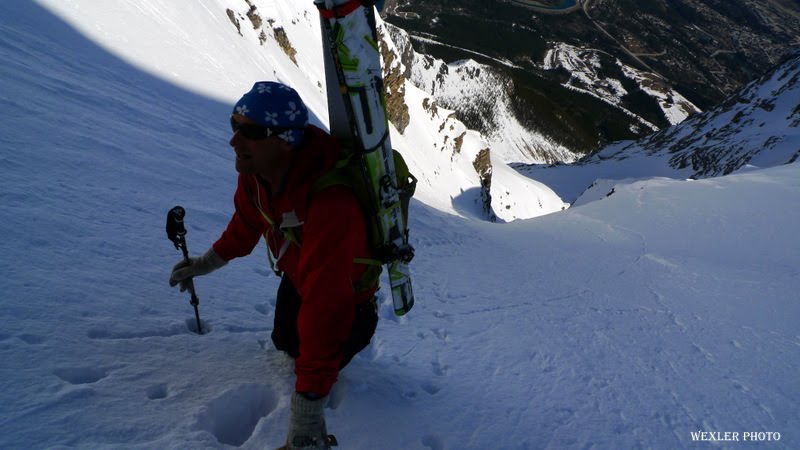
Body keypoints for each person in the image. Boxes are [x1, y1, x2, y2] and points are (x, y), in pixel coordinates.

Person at [169, 81, 379, 449]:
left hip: (349, 298)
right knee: (285, 341)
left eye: (250, 132)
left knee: (315, 359)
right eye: (235, 126)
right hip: (300, 278)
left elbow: (326, 305)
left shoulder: (331, 202)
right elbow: (247, 224)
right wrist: (204, 263)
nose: (235, 141)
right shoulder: (256, 176)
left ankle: (361, 331)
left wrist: (308, 407)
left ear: (286, 140)